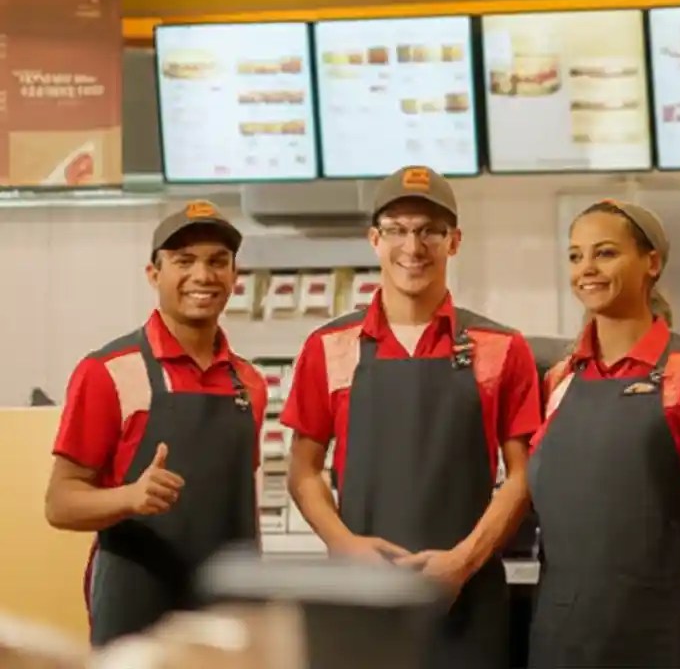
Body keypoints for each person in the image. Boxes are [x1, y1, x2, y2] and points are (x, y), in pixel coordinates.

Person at [282, 166, 541, 669]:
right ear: (374, 240)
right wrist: (345, 546)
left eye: (429, 231)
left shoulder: (503, 348)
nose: (413, 246)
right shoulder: (328, 347)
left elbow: (524, 476)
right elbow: (304, 470)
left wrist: (461, 564)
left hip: (469, 599)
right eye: (398, 230)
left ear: (454, 241)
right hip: (364, 600)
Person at [526, 200, 680, 669]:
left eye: (606, 253)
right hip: (564, 632)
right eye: (575, 256)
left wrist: (667, 550)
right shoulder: (559, 379)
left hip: (662, 630)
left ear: (651, 263)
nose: (586, 269)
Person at [44, 200, 267, 647]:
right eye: (184, 261)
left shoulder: (249, 383)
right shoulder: (107, 371)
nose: (203, 276)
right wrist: (130, 497)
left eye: (217, 262)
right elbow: (59, 503)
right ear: (154, 274)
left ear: (234, 276)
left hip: (226, 612)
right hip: (135, 607)